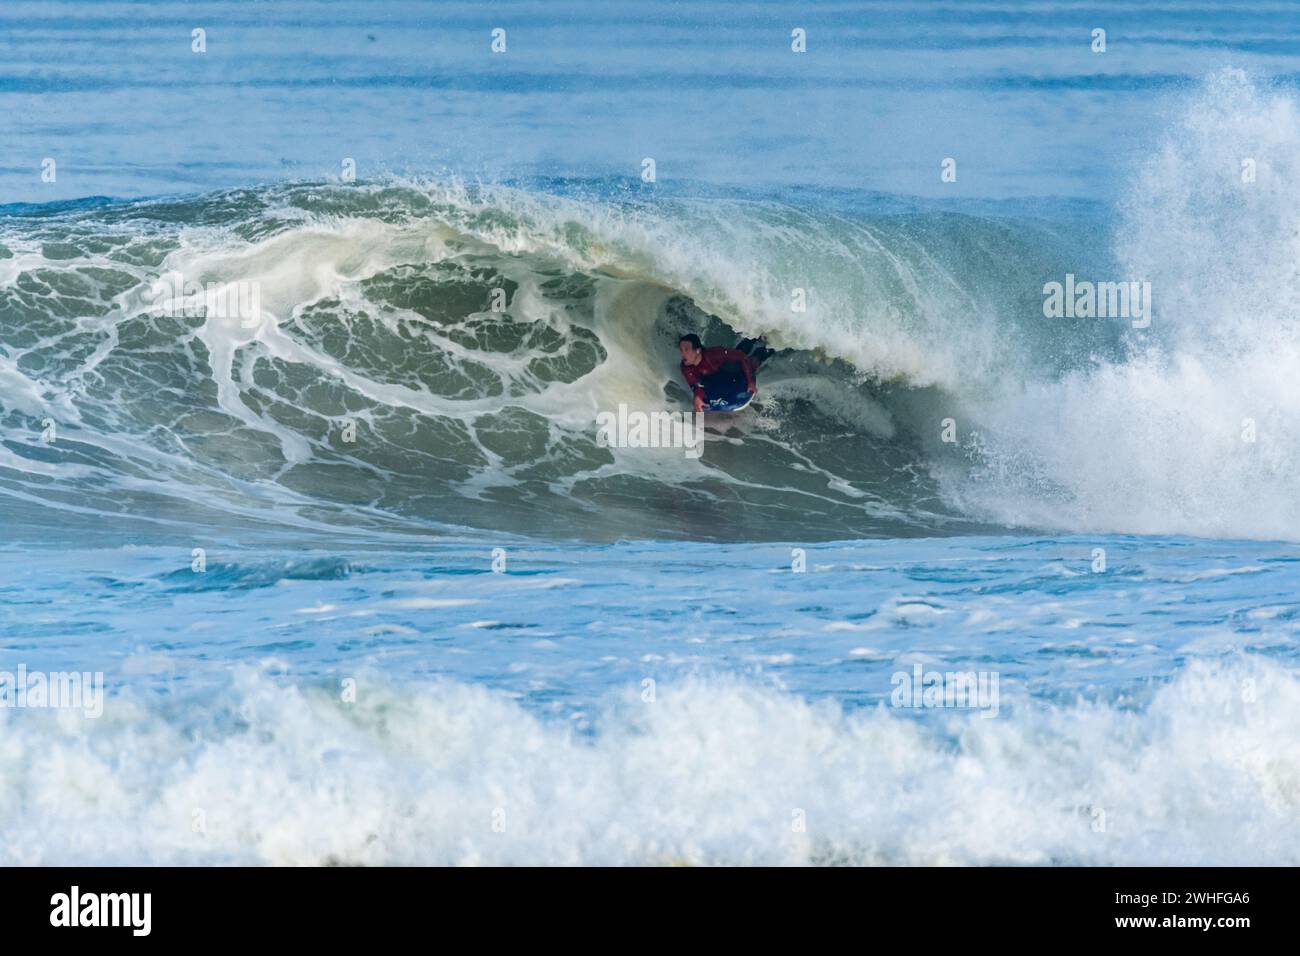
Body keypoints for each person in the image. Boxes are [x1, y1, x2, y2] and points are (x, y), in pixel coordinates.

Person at [677, 333, 773, 412]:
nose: (682, 354)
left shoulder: (714, 355)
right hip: (722, 377)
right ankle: (755, 338)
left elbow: (742, 357)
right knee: (738, 352)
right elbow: (695, 385)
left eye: (686, 350)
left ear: (697, 350)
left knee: (752, 360)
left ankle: (771, 342)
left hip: (735, 370)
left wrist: (750, 382)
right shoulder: (685, 367)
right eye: (681, 350)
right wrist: (697, 397)